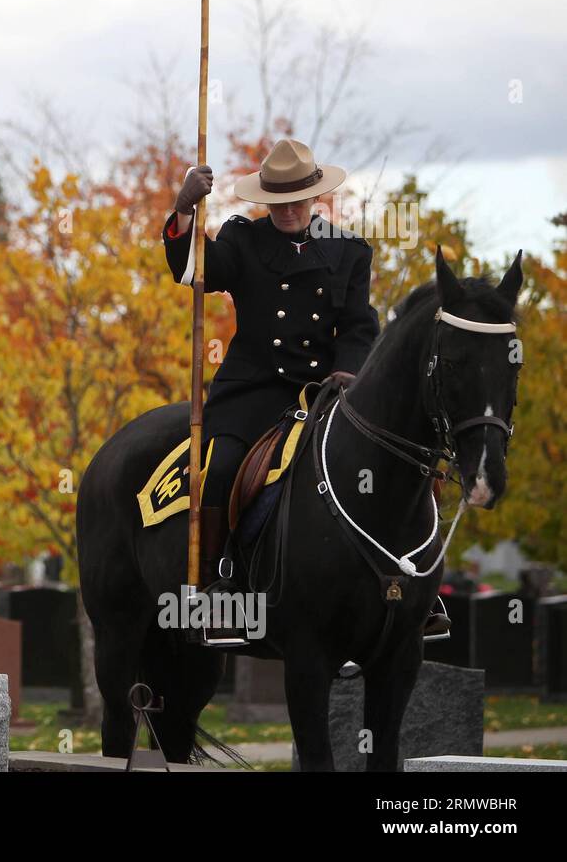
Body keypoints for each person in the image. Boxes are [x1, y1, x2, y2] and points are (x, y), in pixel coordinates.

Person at [163, 138, 450, 640]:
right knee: (224, 466)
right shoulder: (242, 240)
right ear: (266, 201)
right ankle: (216, 589)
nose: (290, 210)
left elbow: (360, 326)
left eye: (298, 199)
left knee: (397, 463)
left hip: (328, 390)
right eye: (279, 202)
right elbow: (195, 272)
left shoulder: (350, 252)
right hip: (253, 391)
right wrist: (184, 208)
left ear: (316, 197)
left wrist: (349, 375)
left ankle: (412, 590)